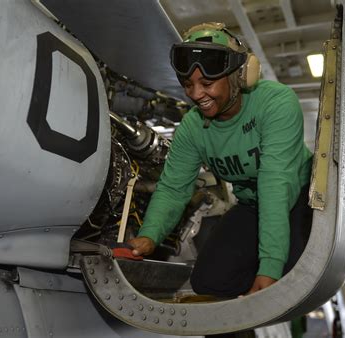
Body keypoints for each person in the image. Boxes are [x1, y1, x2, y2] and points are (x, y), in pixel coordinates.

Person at [127, 22, 313, 297]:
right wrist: (149, 236)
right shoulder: (192, 128)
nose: (195, 95)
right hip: (254, 205)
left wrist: (270, 267)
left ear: (239, 75)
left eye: (207, 83)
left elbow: (276, 183)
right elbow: (174, 187)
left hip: (300, 199)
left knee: (290, 280)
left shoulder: (276, 103)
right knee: (209, 283)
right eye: (188, 84)